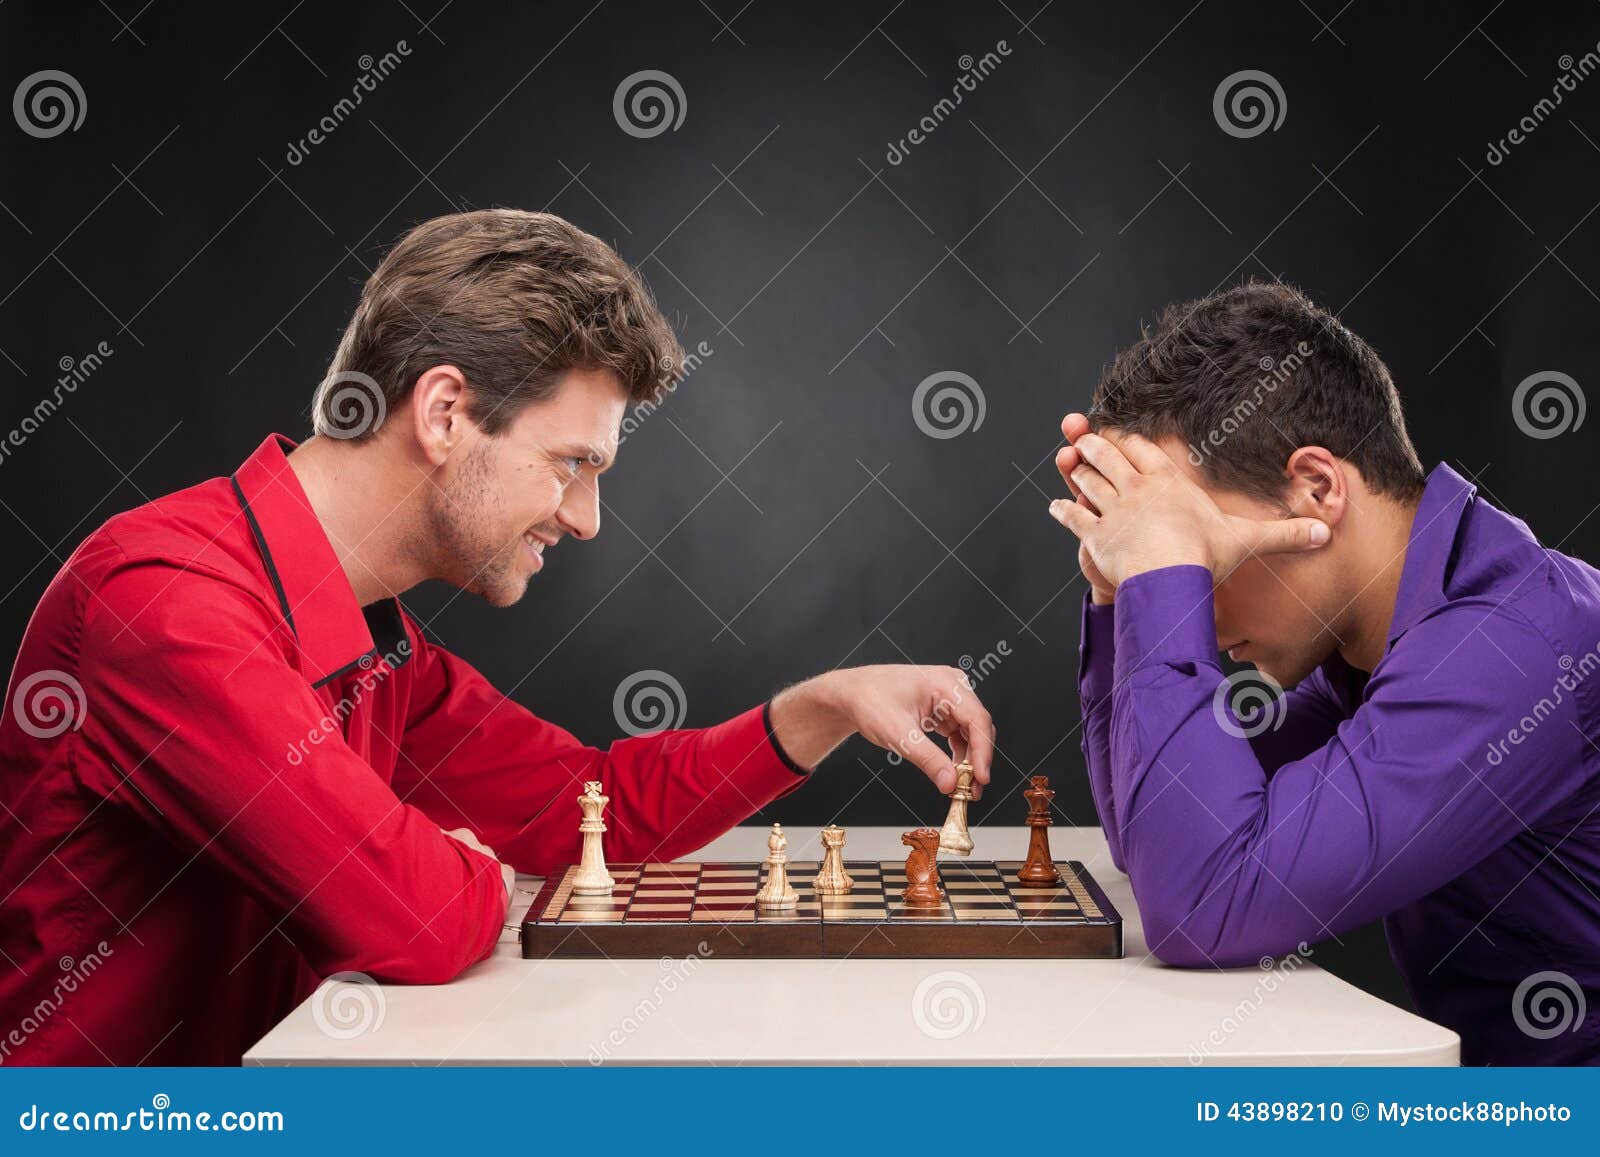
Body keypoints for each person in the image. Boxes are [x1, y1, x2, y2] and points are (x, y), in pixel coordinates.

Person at [0, 210, 994, 1065]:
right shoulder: (166, 603)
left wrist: (820, 704)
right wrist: (461, 865)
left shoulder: (376, 643)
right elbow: (415, 919)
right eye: (570, 462)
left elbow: (588, 811)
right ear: (443, 412)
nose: (587, 516)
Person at [1049, 281, 1600, 1065]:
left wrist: (1164, 572)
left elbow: (1204, 907)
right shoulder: (1367, 643)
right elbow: (1156, 845)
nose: (1190, 589)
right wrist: (1121, 586)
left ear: (1316, 488)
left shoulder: (1514, 647)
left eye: (1201, 541)